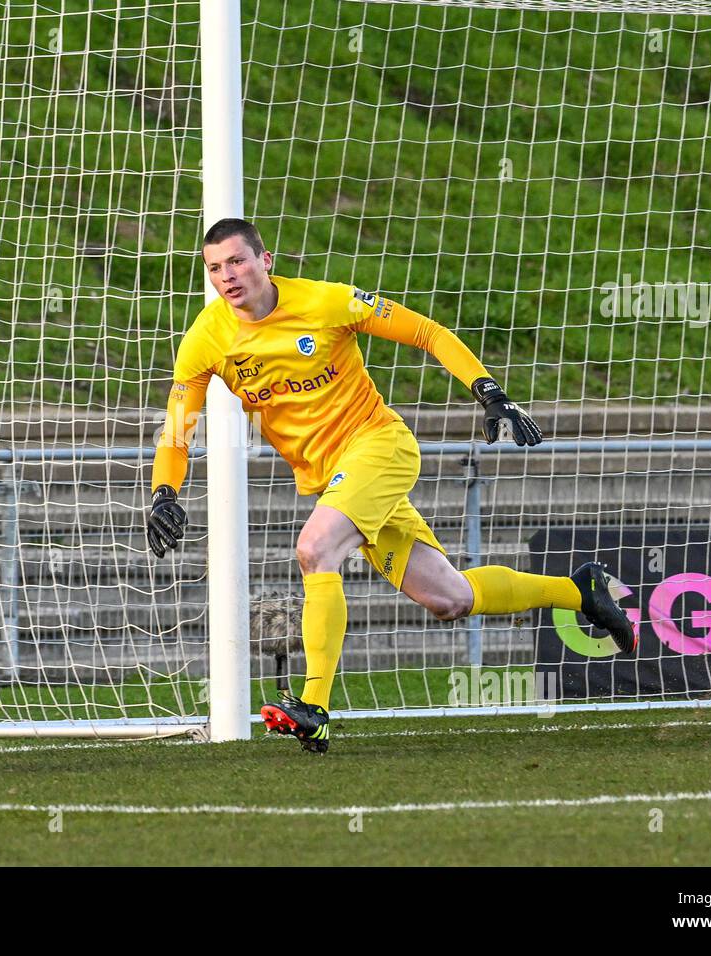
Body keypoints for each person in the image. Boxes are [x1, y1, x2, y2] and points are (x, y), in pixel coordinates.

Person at [146, 218, 635, 753]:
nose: (227, 276)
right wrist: (163, 492)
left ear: (265, 260)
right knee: (449, 598)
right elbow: (177, 429)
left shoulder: (328, 302)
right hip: (337, 480)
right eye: (214, 267)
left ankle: (314, 706)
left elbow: (426, 331)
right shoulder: (206, 340)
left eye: (237, 261)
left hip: (379, 447)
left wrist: (488, 390)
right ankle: (579, 591)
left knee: (314, 549)